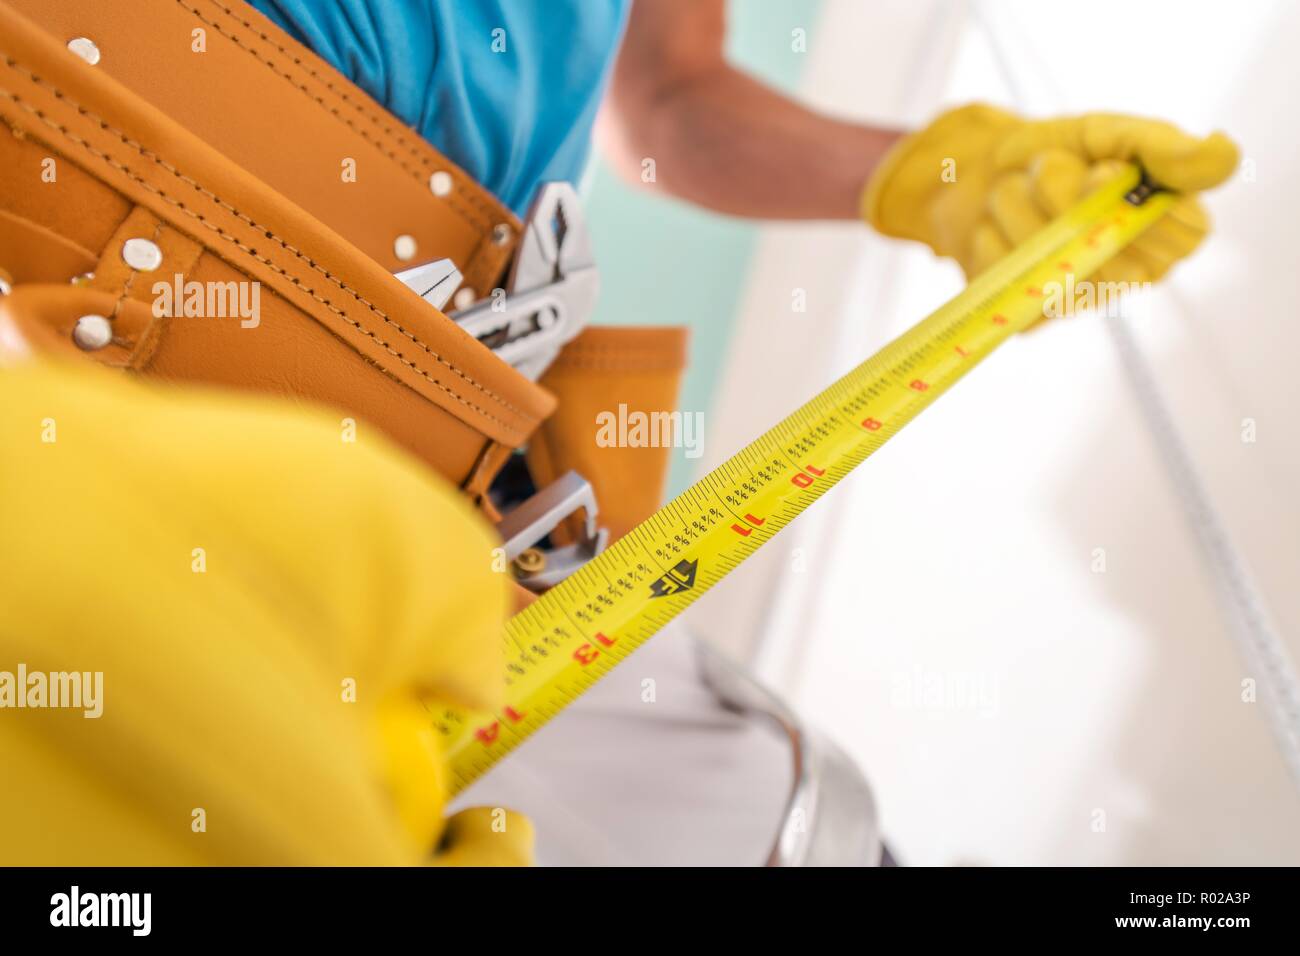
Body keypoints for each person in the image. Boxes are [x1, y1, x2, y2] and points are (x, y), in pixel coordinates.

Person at [0, 0, 1237, 866]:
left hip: (467, 473)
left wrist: (934, 171)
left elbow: (668, 99)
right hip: (88, 373)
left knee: (785, 830)